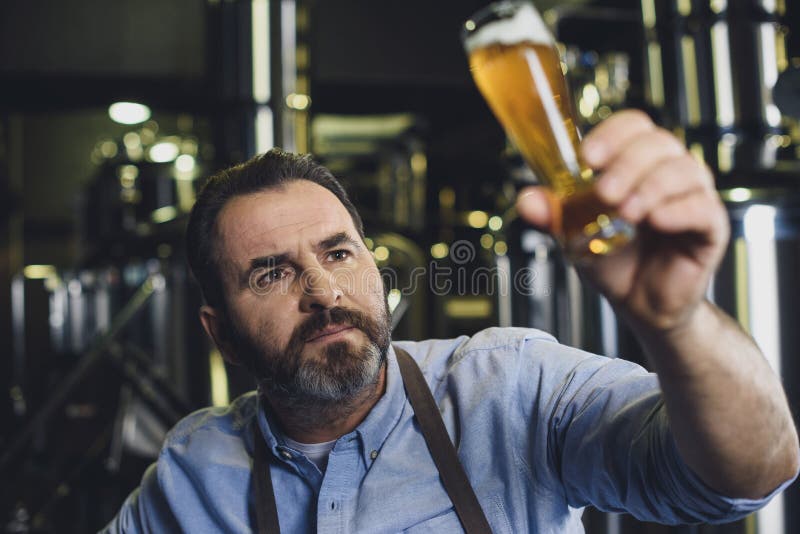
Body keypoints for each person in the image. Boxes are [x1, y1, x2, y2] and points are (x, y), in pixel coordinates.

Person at [102, 110, 799, 533]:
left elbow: (746, 475)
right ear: (220, 332)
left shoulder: (507, 386)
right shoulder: (193, 476)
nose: (323, 291)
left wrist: (679, 322)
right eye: (271, 273)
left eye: (338, 253)